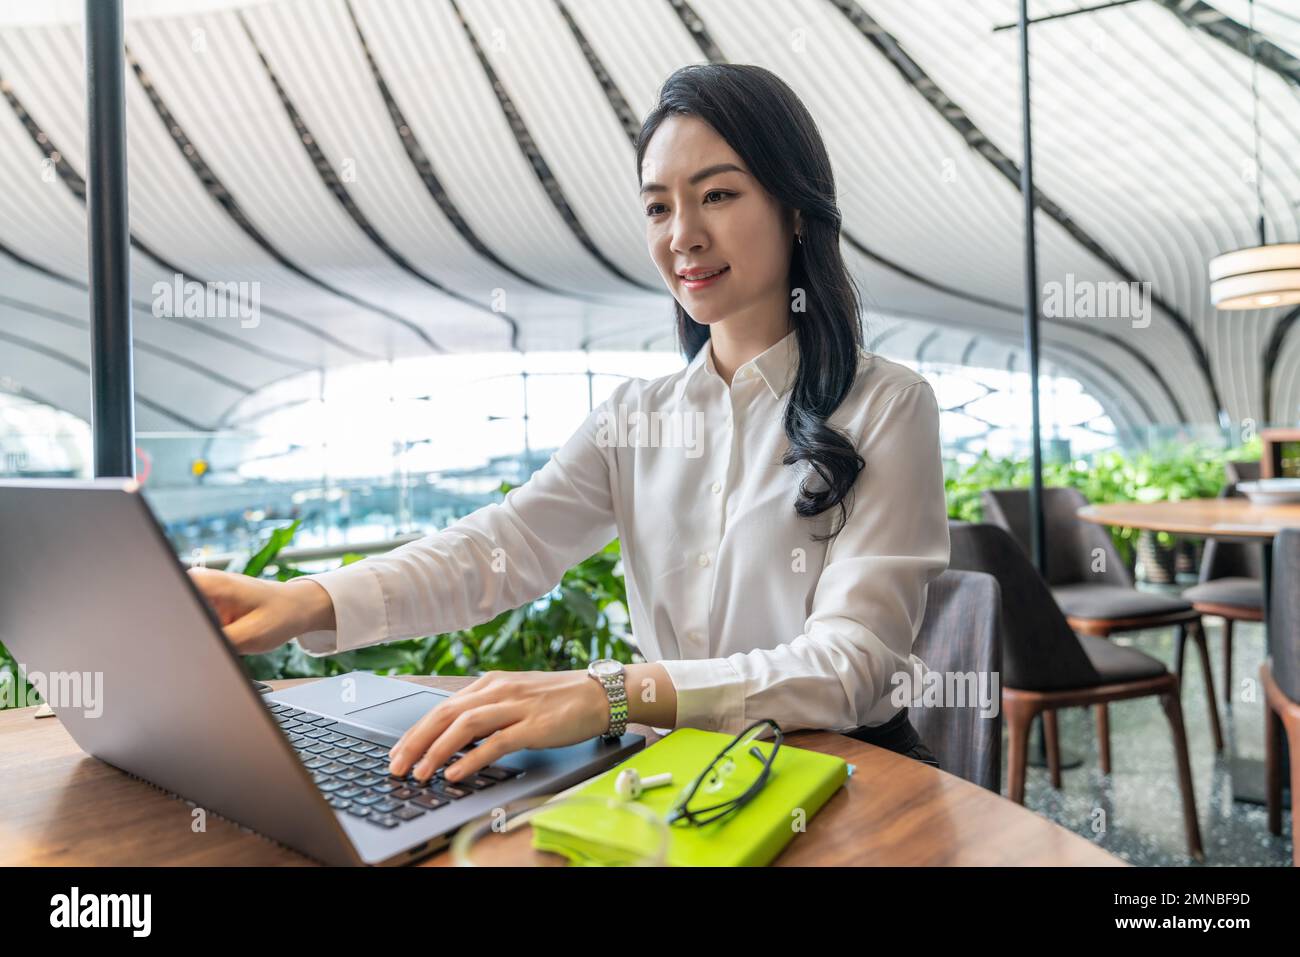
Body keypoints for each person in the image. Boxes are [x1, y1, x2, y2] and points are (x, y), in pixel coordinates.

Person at [188, 63, 950, 786]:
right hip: (680, 785)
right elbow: (503, 547)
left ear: (794, 206)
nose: (681, 234)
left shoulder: (888, 405)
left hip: (853, 783)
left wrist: (611, 692)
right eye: (658, 206)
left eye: (716, 195)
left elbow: (852, 665)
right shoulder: (636, 417)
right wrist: (305, 601)